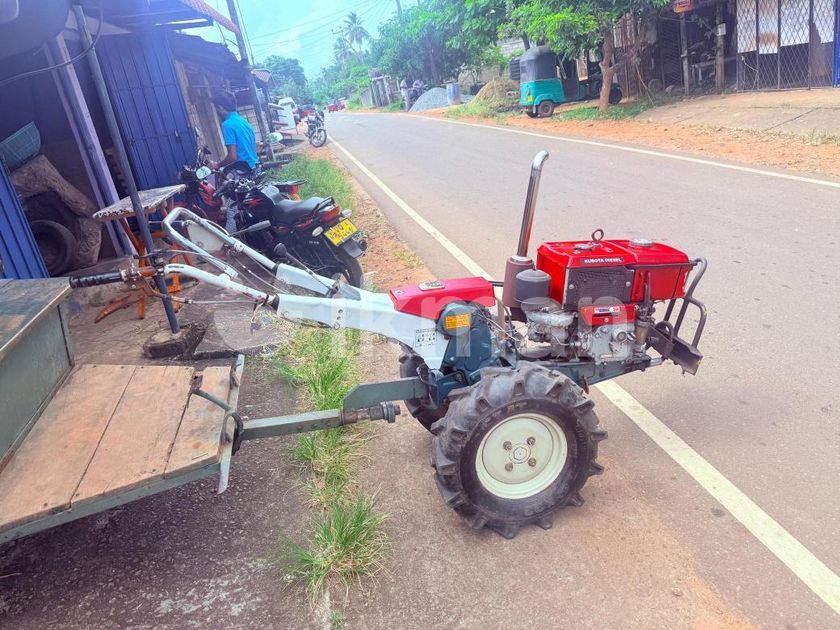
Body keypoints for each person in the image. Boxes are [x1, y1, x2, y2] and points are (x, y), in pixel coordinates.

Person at [210, 92, 258, 171]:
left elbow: (232, 157)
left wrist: (217, 165)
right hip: (255, 166)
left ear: (220, 107)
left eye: (216, 109)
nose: (216, 111)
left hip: (243, 170)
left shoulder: (227, 125)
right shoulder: (243, 121)